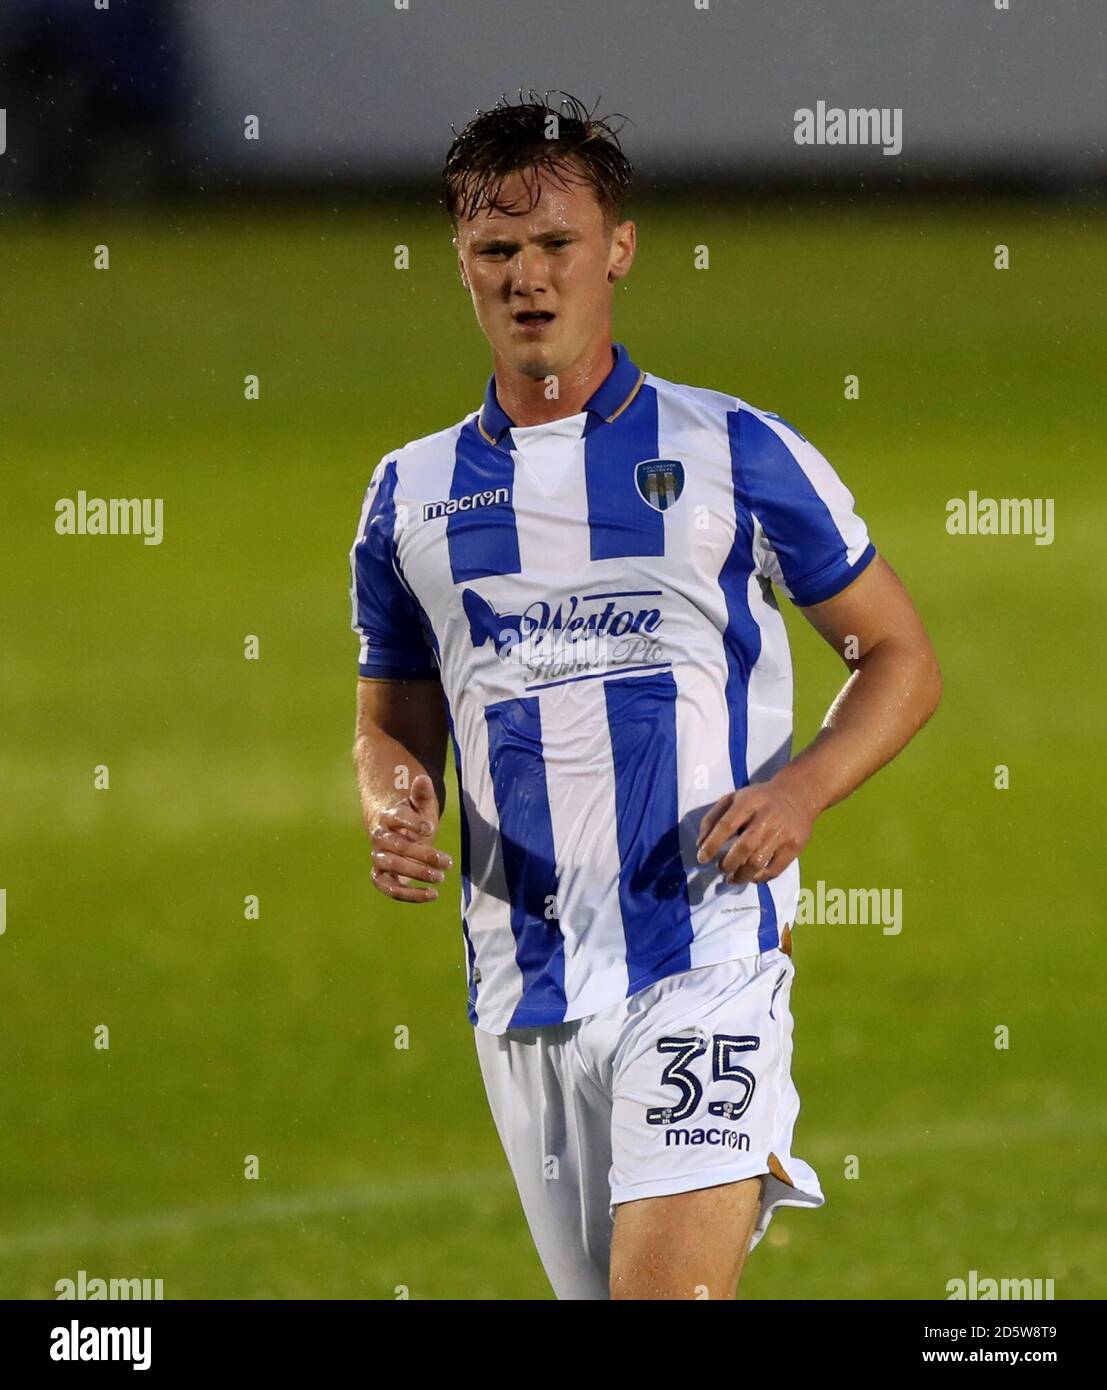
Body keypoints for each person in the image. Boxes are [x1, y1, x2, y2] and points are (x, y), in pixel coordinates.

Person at [350, 93, 941, 1300]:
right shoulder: (407, 496)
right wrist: (391, 796)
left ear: (618, 247)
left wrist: (804, 790)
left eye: (556, 244)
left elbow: (900, 658)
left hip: (706, 954)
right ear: (458, 266)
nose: (528, 277)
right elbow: (390, 715)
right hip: (524, 991)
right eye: (496, 251)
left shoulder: (736, 451)